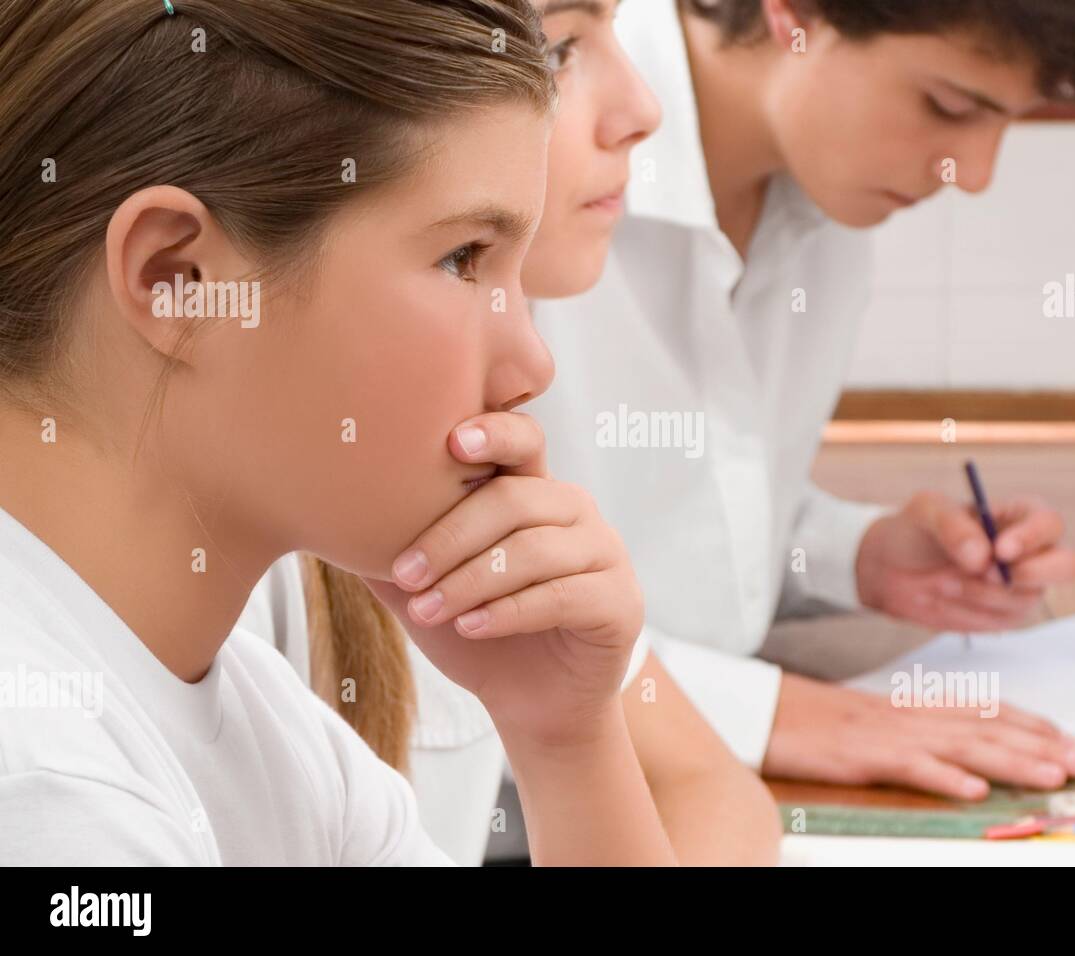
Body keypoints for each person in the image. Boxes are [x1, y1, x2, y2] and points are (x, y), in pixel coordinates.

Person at [0, 0, 677, 866]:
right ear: (179, 281)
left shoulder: (264, 731)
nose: (532, 366)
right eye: (464, 258)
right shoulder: (51, 799)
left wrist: (564, 741)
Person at [529, 0, 1075, 799]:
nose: (976, 173)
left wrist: (854, 556)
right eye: (948, 106)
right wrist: (773, 716)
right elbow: (438, 606)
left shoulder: (821, 210)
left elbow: (648, 520)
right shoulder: (533, 139)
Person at [242, 0, 781, 866]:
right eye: (560, 45)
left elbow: (707, 783)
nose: (645, 108)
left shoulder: (441, 452)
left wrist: (568, 744)